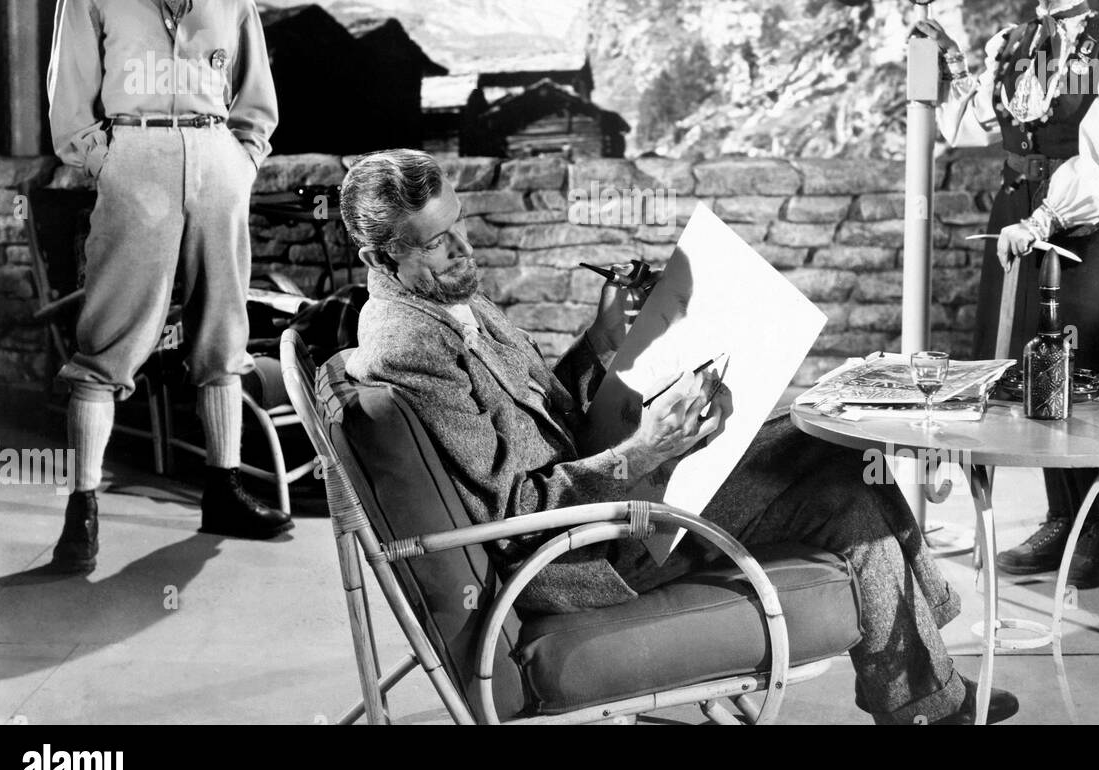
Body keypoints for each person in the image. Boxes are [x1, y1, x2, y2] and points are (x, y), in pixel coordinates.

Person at [339, 148, 1021, 725]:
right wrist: (648, 449)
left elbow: (543, 420)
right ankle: (927, 694)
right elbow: (515, 510)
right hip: (583, 551)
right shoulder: (410, 348)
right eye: (436, 241)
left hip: (601, 512)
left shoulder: (447, 299)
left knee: (831, 446)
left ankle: (925, 690)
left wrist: (600, 342)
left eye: (456, 224)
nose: (461, 248)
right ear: (382, 253)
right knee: (836, 475)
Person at [46, 0, 288, 573]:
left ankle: (223, 489)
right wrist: (111, 165)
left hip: (215, 157)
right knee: (110, 337)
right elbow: (68, 99)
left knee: (224, 330)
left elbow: (256, 104)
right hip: (137, 155)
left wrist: (239, 163)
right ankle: (82, 512)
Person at [927, 0, 1099, 587]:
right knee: (1018, 376)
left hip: (1075, 228)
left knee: (1074, 375)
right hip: (1014, 219)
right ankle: (1063, 527)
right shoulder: (1011, 43)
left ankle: (1086, 537)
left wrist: (1043, 221)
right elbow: (964, 129)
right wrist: (954, 68)